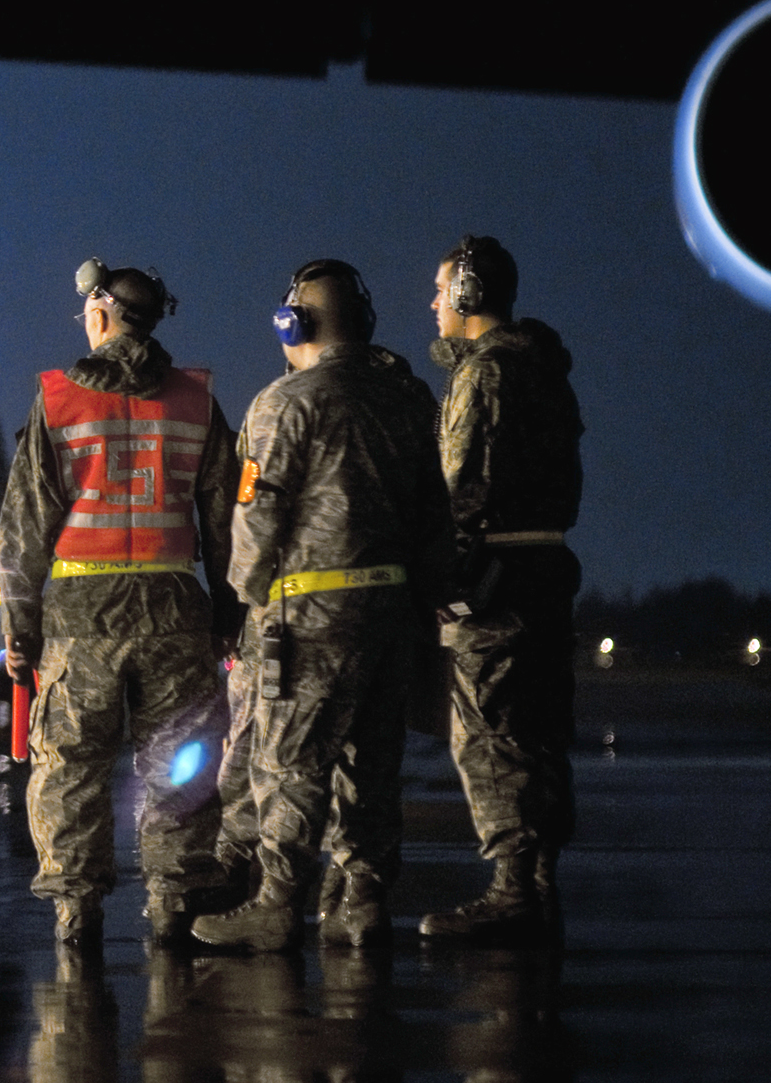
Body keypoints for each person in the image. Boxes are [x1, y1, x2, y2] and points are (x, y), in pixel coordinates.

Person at [195, 260, 449, 953]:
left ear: (294, 322)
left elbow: (253, 523)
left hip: (308, 616)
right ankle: (362, 902)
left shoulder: (283, 403)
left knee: (289, 765)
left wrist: (249, 600)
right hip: (391, 615)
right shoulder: (410, 401)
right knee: (372, 766)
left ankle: (276, 905)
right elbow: (438, 513)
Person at [0, 259, 240, 950]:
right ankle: (174, 902)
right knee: (181, 761)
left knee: (71, 769)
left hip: (80, 614)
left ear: (100, 313)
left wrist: (21, 625)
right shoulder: (197, 402)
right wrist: (227, 615)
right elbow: (226, 523)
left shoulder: (57, 400)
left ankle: (76, 914)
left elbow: (22, 531)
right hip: (175, 608)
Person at [419, 235, 583, 945]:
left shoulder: (486, 374)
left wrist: (436, 574)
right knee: (541, 733)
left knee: (491, 733)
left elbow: (460, 488)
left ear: (467, 294)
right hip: (544, 569)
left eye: (440, 289)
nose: (432, 302)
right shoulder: (542, 368)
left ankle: (513, 888)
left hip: (495, 579)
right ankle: (538, 882)